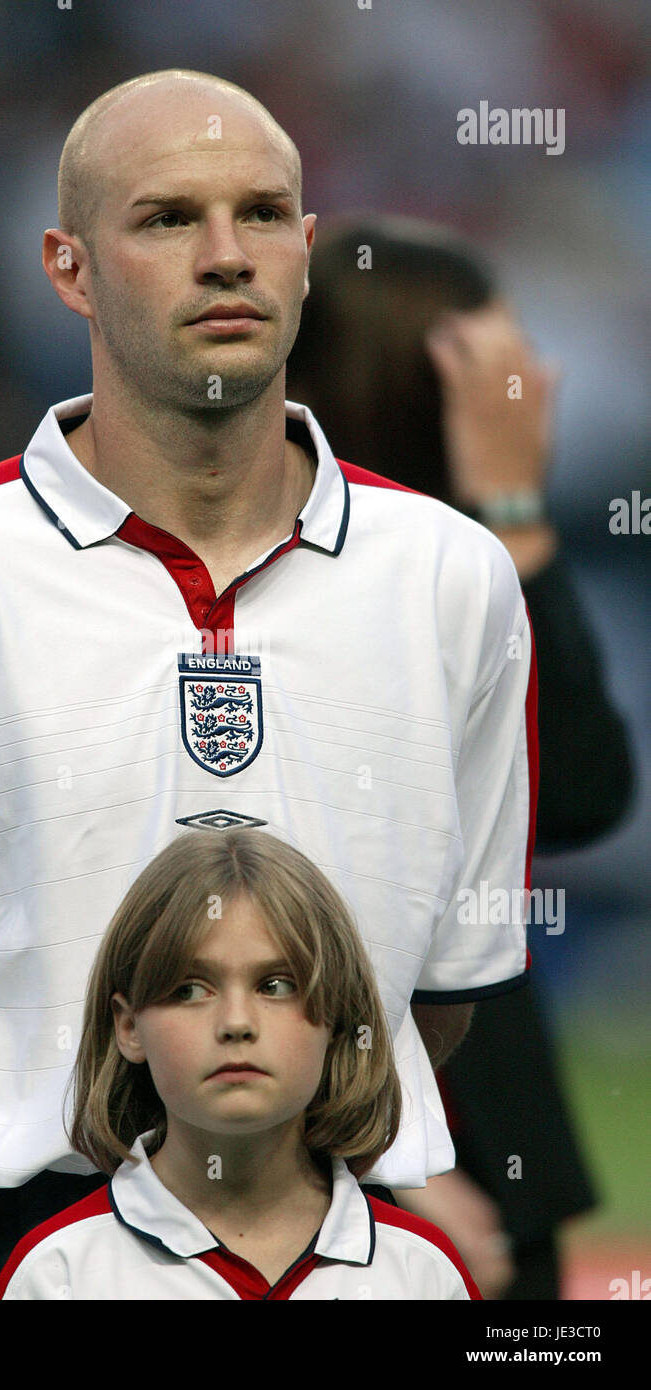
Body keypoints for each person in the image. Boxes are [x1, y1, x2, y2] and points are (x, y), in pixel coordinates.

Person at [0, 71, 536, 1299]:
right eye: (168, 218)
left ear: (305, 253)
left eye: (260, 216)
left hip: (332, 1254)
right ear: (67, 267)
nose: (225, 256)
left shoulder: (452, 581)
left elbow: (448, 986)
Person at [286, 214, 634, 1298]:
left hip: (475, 1147)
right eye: (496, 358)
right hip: (338, 1167)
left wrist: (512, 520)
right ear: (419, 387)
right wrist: (370, 1155)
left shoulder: (459, 576)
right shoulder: (284, 598)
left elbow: (575, 794)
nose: (536, 377)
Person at [0, 828, 480, 1300]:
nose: (236, 1023)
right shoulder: (60, 1275)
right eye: (189, 990)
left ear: (336, 1016)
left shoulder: (421, 1272)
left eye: (276, 985)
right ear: (128, 1026)